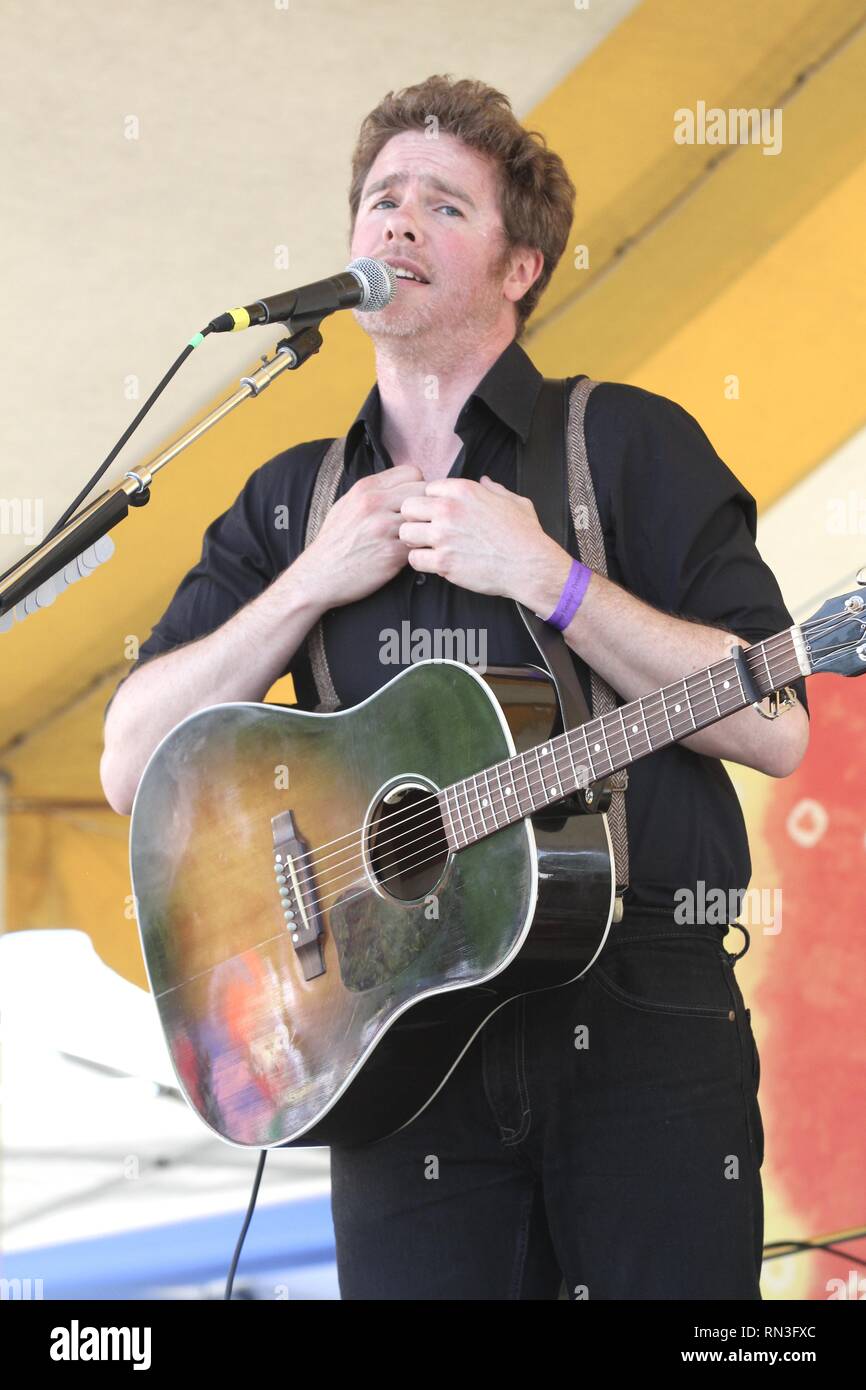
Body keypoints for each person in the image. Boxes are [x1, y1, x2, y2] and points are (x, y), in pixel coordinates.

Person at [101, 75, 810, 1300]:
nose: (397, 226)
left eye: (442, 205)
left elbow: (777, 723)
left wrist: (552, 579)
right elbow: (126, 761)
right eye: (380, 200)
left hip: (635, 1010)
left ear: (520, 265)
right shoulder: (292, 500)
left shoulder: (625, 444)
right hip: (392, 1035)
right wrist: (306, 584)